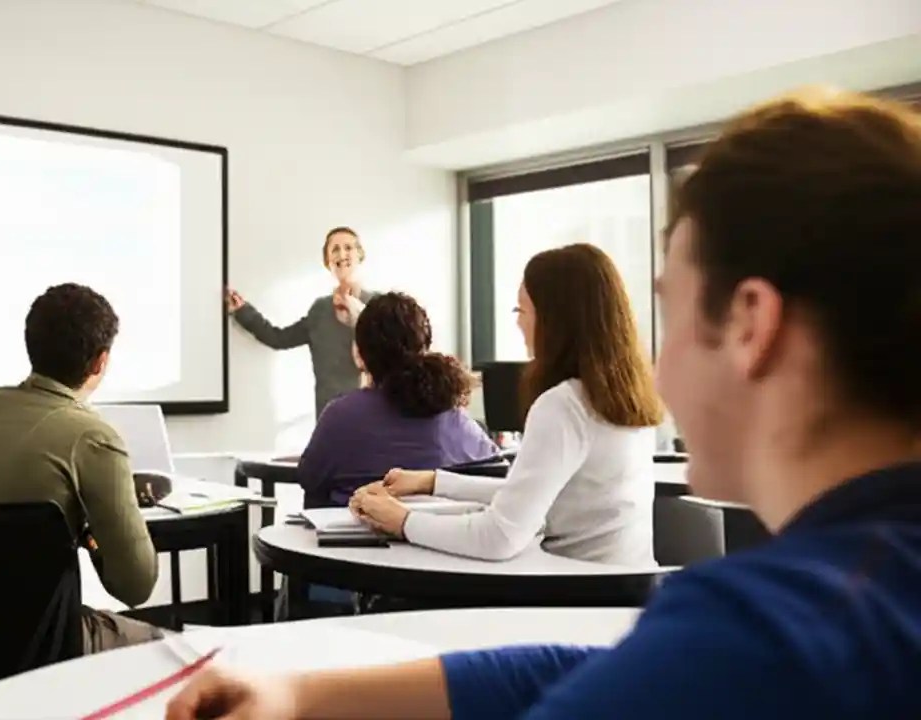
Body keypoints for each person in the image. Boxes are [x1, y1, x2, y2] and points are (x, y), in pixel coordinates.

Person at [165, 88, 921, 720]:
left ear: (752, 325)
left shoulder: (768, 634)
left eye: (675, 311)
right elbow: (597, 670)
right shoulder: (847, 597)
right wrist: (304, 697)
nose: (660, 365)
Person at [351, 244, 662, 566]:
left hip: (576, 598)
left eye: (521, 311)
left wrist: (401, 521)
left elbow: (498, 537)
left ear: (555, 320)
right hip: (628, 590)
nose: (518, 324)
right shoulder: (624, 398)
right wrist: (434, 482)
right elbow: (526, 494)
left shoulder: (563, 406)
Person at [0, 283, 163, 655]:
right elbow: (136, 587)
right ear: (100, 362)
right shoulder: (92, 436)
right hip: (41, 642)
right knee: (165, 649)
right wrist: (91, 536)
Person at [297, 292, 495, 508]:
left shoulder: (340, 416)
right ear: (425, 346)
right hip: (438, 538)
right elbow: (493, 471)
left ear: (359, 354)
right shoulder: (456, 418)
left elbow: (309, 478)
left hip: (350, 535)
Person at [227, 226, 377, 416]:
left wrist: (358, 315)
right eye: (335, 249)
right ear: (328, 262)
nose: (342, 254)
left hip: (372, 418)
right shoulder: (320, 311)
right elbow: (278, 338)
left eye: (348, 248)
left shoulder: (381, 305)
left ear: (360, 255)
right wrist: (242, 311)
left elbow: (397, 357)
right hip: (329, 420)